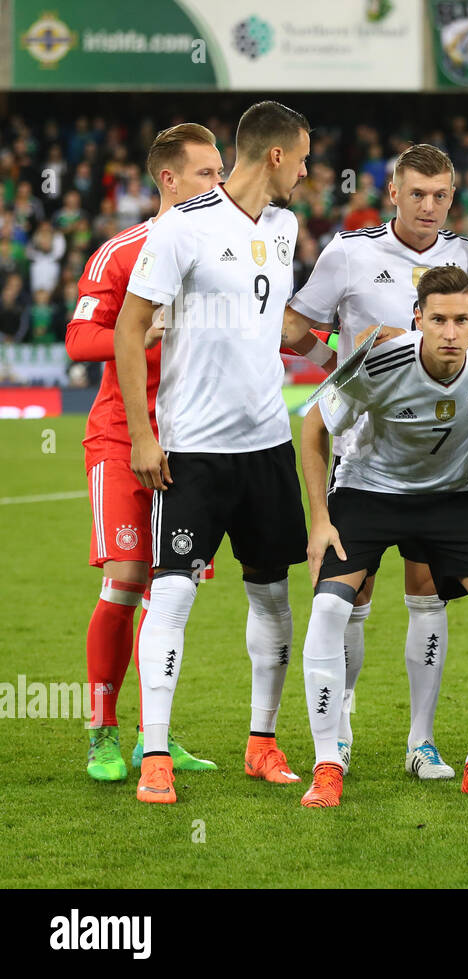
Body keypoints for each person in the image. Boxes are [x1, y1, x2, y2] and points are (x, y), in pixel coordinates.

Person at [297, 266, 468, 805]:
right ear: (417, 320)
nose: (451, 333)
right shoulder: (377, 363)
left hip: (450, 497)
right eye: (439, 320)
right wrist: (319, 520)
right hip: (366, 493)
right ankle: (327, 764)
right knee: (331, 608)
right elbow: (314, 426)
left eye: (462, 320)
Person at [116, 101, 320, 804]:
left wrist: (328, 334)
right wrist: (145, 435)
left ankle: (262, 741)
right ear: (274, 157)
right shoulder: (184, 228)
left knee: (272, 595)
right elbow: (130, 326)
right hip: (194, 449)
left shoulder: (286, 227)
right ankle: (156, 753)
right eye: (302, 157)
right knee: (171, 591)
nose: (307, 169)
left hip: (266, 446)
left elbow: (273, 317)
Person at [285, 143, 468, 782]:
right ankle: (337, 722)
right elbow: (291, 327)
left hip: (439, 462)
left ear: (453, 196)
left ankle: (421, 742)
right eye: (416, 193)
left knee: (427, 595)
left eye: (440, 194)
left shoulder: (464, 257)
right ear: (393, 193)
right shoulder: (350, 253)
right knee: (352, 597)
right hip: (364, 463)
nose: (428, 206)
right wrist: (342, 351)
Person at [66, 123, 233, 781]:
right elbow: (80, 341)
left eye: (221, 173)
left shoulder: (225, 254)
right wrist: (139, 330)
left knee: (171, 588)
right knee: (127, 578)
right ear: (168, 179)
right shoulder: (122, 251)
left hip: (193, 441)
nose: (219, 185)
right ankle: (102, 733)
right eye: (205, 175)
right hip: (120, 436)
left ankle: (151, 736)